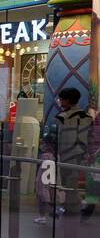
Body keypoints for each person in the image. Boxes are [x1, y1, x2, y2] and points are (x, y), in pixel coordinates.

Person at [50, 87, 96, 219]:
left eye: (61, 99)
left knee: (68, 184)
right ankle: (78, 205)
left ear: (67, 101)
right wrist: (90, 154)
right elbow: (91, 137)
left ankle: (74, 210)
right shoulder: (88, 117)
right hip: (82, 156)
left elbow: (55, 138)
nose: (59, 102)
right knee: (72, 183)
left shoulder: (61, 117)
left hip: (66, 155)